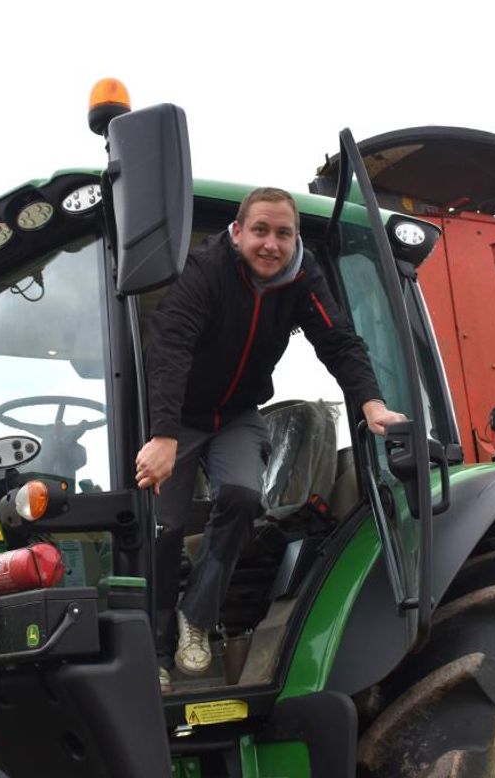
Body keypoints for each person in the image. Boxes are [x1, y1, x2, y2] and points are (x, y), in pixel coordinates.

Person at [135, 187, 405, 690]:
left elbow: (338, 340)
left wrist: (371, 404)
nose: (271, 244)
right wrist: (164, 435)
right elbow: (170, 345)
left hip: (237, 414)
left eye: (283, 233)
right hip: (182, 419)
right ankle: (153, 653)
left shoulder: (303, 280)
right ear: (237, 233)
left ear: (294, 238)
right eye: (260, 230)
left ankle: (196, 618)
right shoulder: (207, 271)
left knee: (241, 494)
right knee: (163, 528)